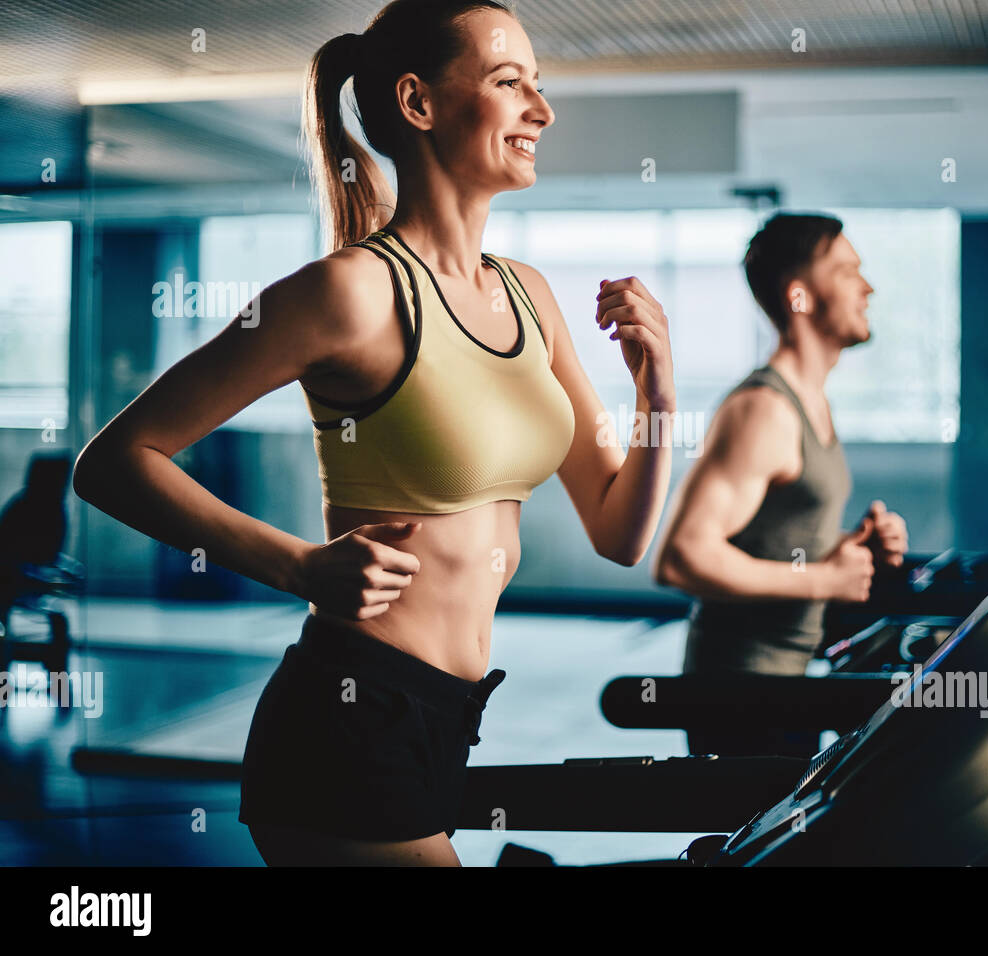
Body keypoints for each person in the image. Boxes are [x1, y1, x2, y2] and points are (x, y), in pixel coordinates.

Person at [71, 0, 676, 866]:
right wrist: (300, 566)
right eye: (511, 84)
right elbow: (116, 462)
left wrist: (657, 398)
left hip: (449, 718)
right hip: (349, 723)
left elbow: (620, 534)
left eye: (538, 86)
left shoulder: (532, 298)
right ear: (418, 103)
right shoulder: (348, 294)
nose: (543, 110)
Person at [652, 212, 907, 759]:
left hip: (785, 679)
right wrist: (824, 580)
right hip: (741, 690)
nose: (868, 287)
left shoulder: (811, 400)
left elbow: (774, 536)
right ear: (800, 297)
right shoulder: (764, 410)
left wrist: (849, 548)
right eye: (846, 272)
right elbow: (680, 557)